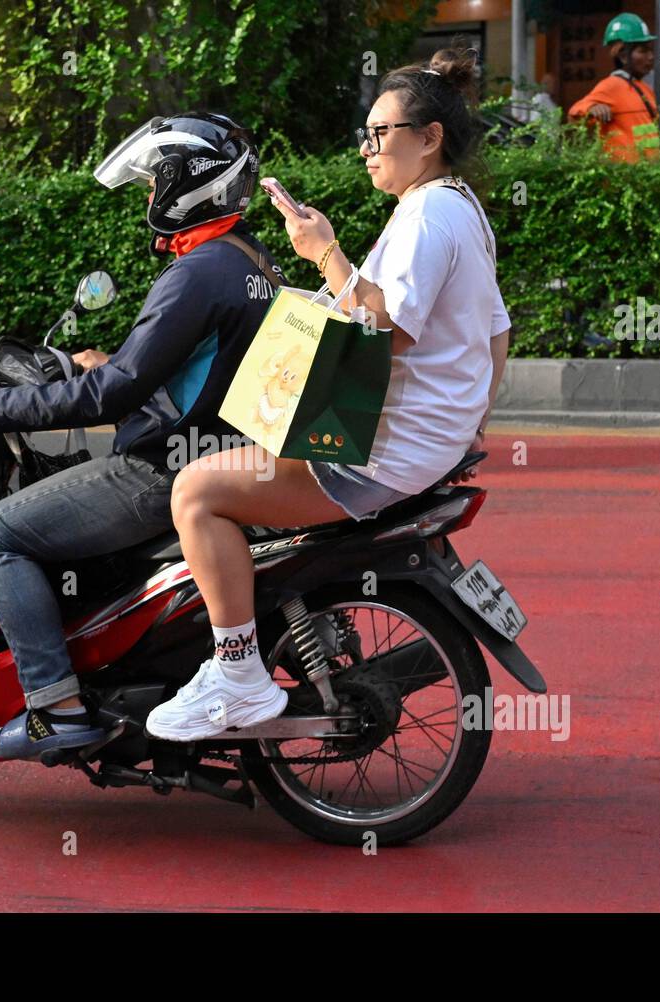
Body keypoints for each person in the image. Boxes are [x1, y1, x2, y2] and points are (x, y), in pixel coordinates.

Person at [146, 48, 511, 742]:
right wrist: (465, 425)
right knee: (241, 459)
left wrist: (324, 253)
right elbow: (496, 333)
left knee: (196, 491)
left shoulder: (427, 219)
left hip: (379, 446)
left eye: (381, 133)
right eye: (365, 134)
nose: (367, 148)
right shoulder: (461, 209)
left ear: (428, 138)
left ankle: (237, 675)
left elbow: (383, 330)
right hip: (419, 443)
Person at [0, 112, 284, 761]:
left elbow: (114, 397)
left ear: (186, 186)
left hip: (164, 469)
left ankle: (57, 708)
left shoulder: (198, 273)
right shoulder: (251, 260)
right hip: (224, 451)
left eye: (154, 182)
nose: (148, 197)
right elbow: (197, 372)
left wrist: (3, 404)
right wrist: (111, 366)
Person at [567, 13, 660, 162]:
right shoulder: (612, 85)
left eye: (650, 50)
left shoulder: (645, 88)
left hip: (650, 179)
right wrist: (592, 108)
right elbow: (574, 114)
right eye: (643, 51)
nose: (650, 57)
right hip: (622, 181)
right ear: (623, 55)